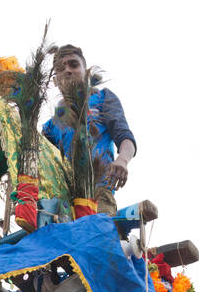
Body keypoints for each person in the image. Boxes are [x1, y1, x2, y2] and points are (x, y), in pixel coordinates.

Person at [42, 45, 137, 217]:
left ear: (85, 72)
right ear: (55, 80)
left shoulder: (102, 98)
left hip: (98, 195)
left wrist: (122, 161)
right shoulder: (50, 126)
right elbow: (44, 166)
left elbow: (124, 135)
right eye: (61, 69)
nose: (68, 71)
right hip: (62, 203)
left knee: (96, 238)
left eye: (74, 65)